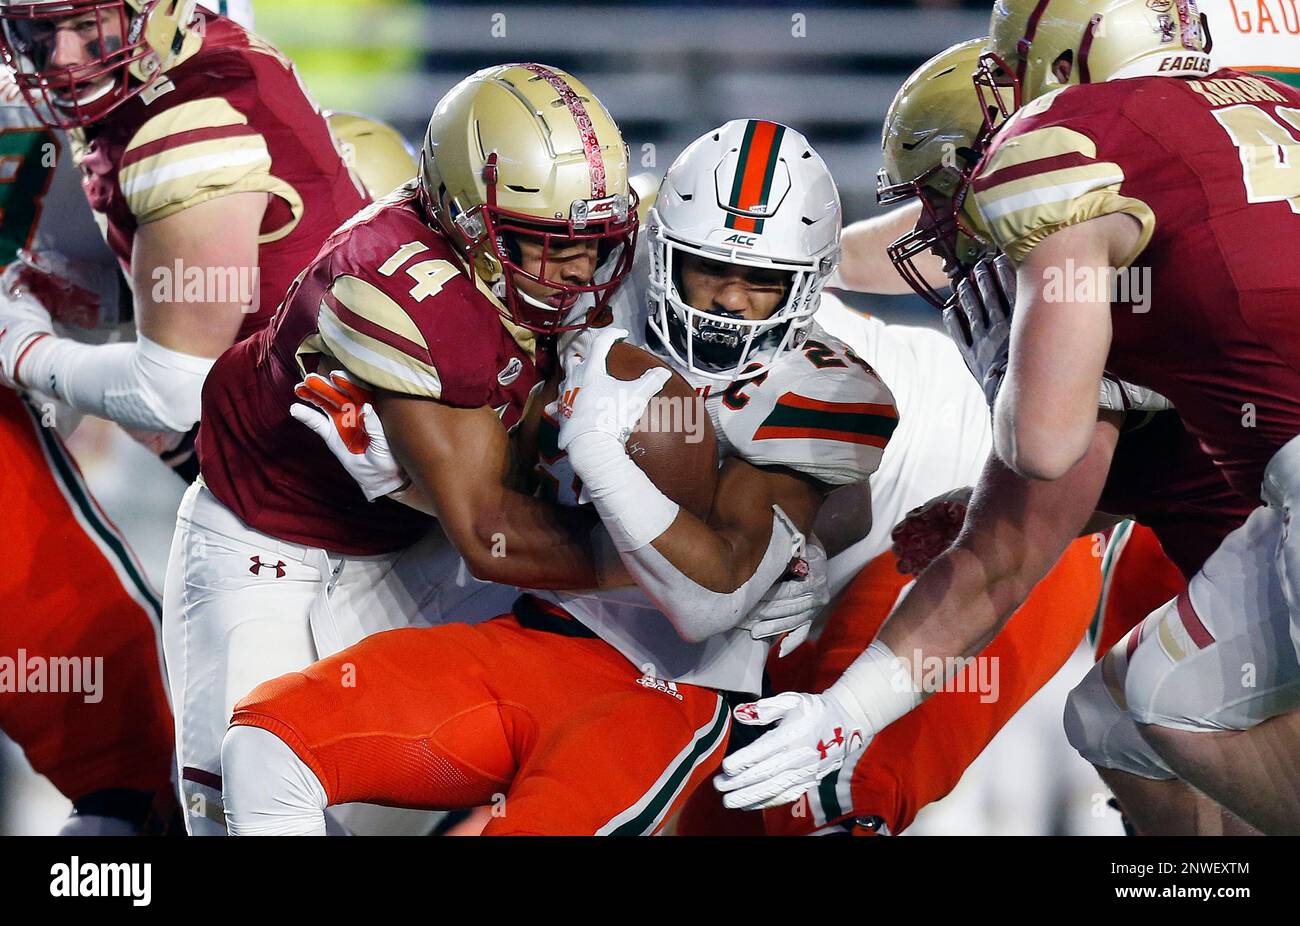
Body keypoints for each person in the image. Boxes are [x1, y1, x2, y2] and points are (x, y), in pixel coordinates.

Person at [217, 120, 896, 835]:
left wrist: (776, 543)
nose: (728, 301)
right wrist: (409, 478)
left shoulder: (818, 387)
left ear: (811, 283)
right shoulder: (594, 279)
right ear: (660, 250)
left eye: (761, 281)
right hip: (525, 628)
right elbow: (509, 482)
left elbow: (706, 604)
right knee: (268, 744)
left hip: (665, 691)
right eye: (707, 269)